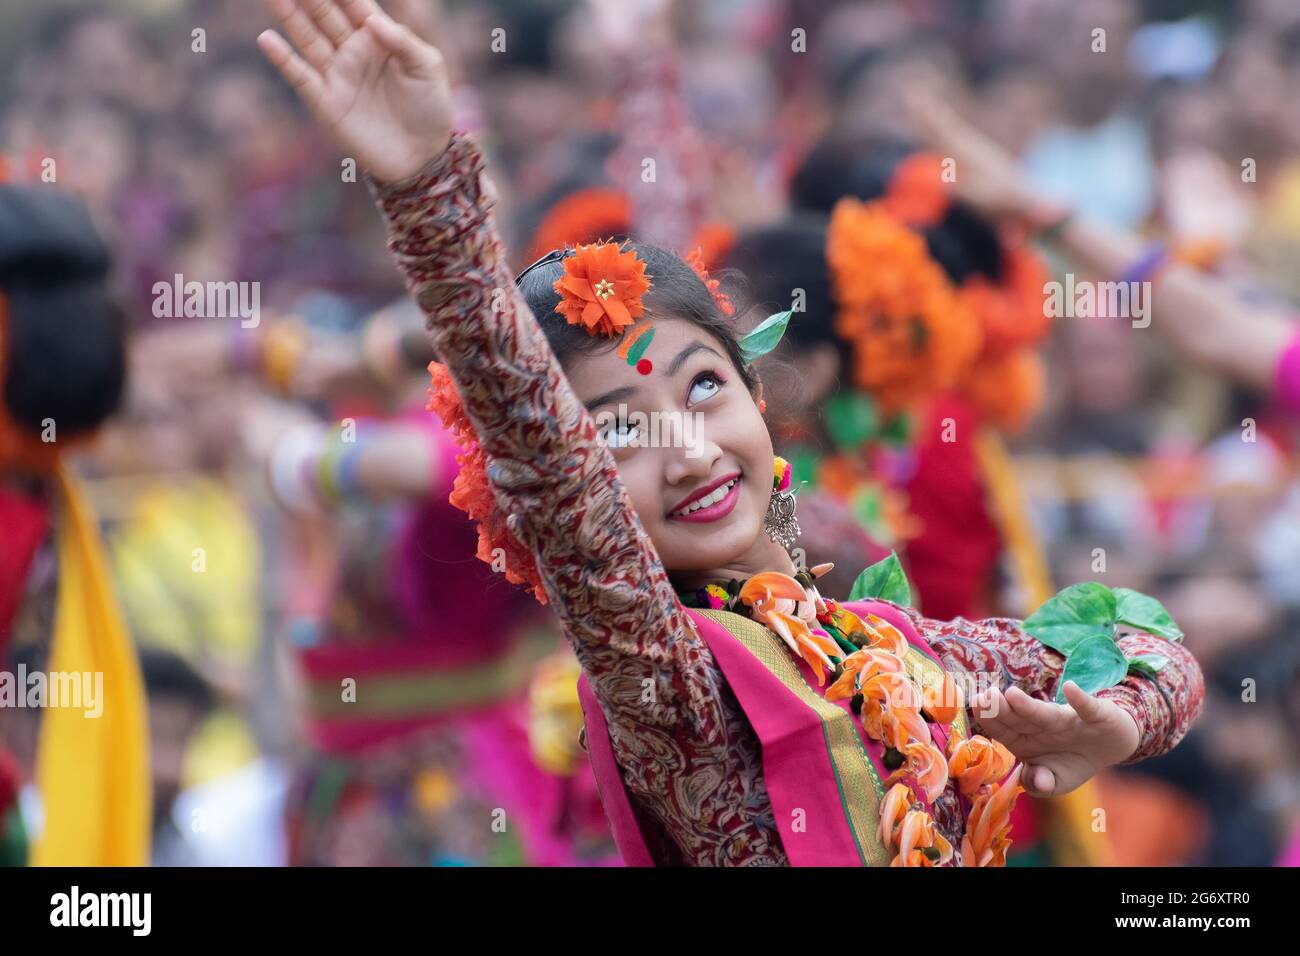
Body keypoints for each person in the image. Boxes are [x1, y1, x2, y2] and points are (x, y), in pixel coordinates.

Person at [254, 0, 1205, 866]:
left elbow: (1142, 645)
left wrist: (1115, 725)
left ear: (762, 399)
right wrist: (428, 186)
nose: (693, 449)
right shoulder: (669, 678)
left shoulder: (887, 639)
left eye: (706, 388)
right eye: (619, 432)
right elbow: (526, 424)